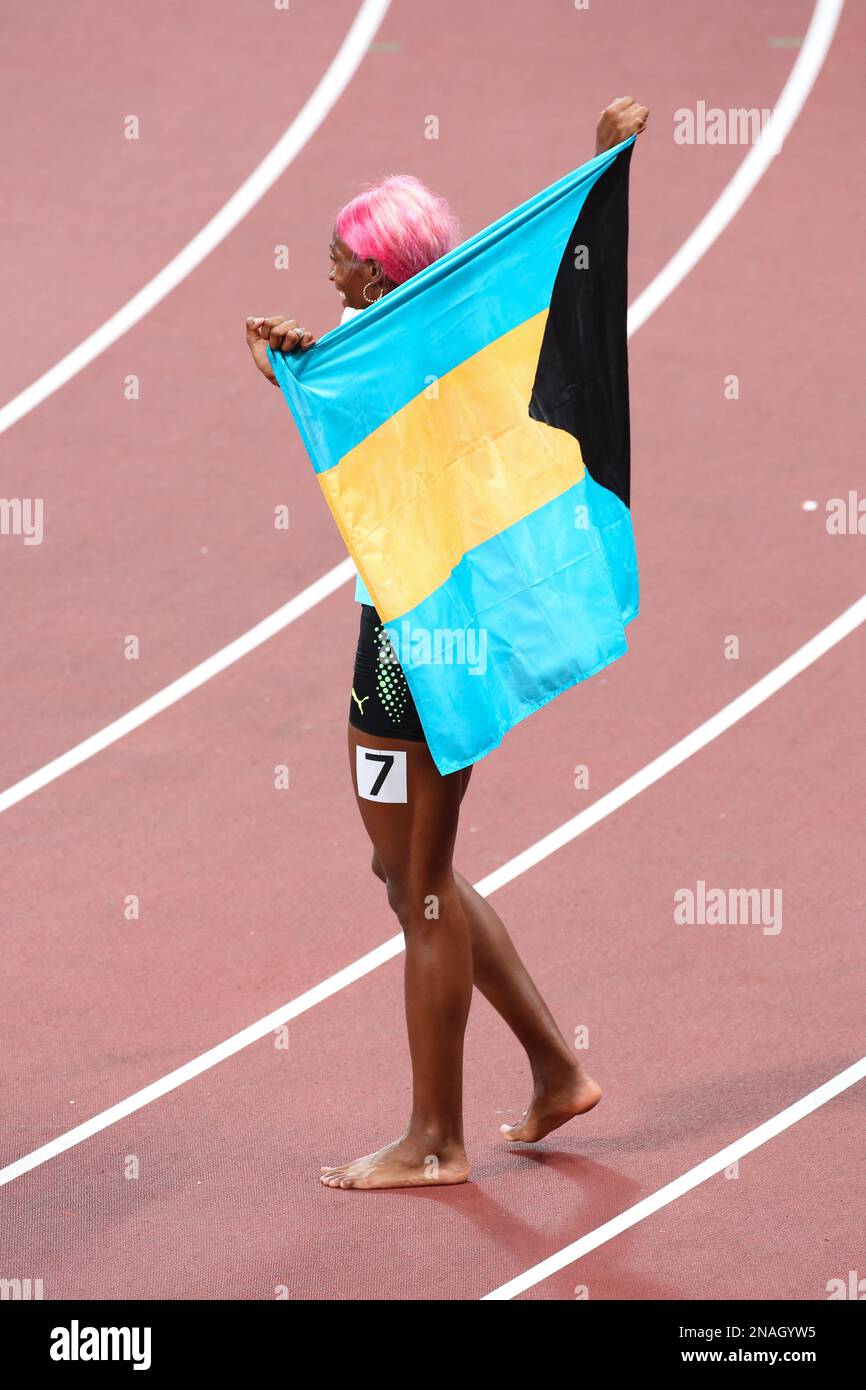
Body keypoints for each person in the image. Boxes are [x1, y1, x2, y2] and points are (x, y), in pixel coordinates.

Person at [245, 97, 649, 1189]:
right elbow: (539, 303)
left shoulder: (401, 358)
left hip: (410, 649)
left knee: (415, 886)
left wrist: (605, 163)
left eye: (339, 262)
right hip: (447, 633)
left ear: (377, 275)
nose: (328, 276)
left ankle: (434, 1139)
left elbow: (559, 274)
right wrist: (298, 364)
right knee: (409, 871)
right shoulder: (448, 352)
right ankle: (555, 1066)